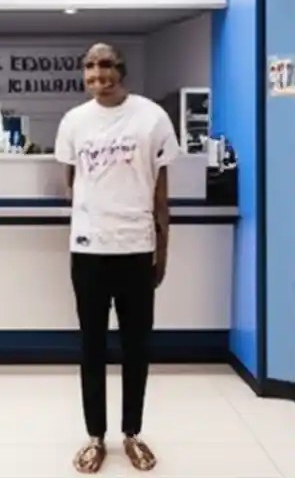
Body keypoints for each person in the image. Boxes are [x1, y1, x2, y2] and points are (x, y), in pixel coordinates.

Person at [57, 43, 180, 474]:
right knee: (91, 346)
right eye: (90, 66)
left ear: (121, 69)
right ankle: (95, 436)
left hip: (136, 248)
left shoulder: (152, 118)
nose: (98, 73)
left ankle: (132, 433)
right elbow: (71, 183)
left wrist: (163, 248)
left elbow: (161, 193)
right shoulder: (74, 121)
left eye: (106, 64)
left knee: (136, 347)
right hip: (89, 250)